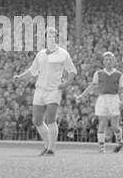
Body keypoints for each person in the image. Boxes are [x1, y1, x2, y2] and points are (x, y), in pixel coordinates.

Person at [13, 26, 76, 156]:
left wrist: (65, 84)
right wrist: (20, 77)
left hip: (54, 89)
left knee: (51, 119)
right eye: (48, 35)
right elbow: (32, 71)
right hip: (40, 89)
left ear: (57, 38)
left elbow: (72, 71)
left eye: (53, 35)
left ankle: (51, 148)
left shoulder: (63, 53)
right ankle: (46, 145)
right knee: (37, 120)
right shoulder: (40, 54)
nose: (51, 38)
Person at [77, 51, 123, 152]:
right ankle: (102, 147)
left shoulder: (119, 74)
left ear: (114, 61)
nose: (108, 62)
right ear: (103, 62)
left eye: (110, 60)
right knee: (102, 123)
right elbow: (93, 85)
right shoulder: (99, 73)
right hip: (102, 99)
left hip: (114, 98)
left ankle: (119, 141)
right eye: (106, 60)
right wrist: (82, 95)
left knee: (114, 126)